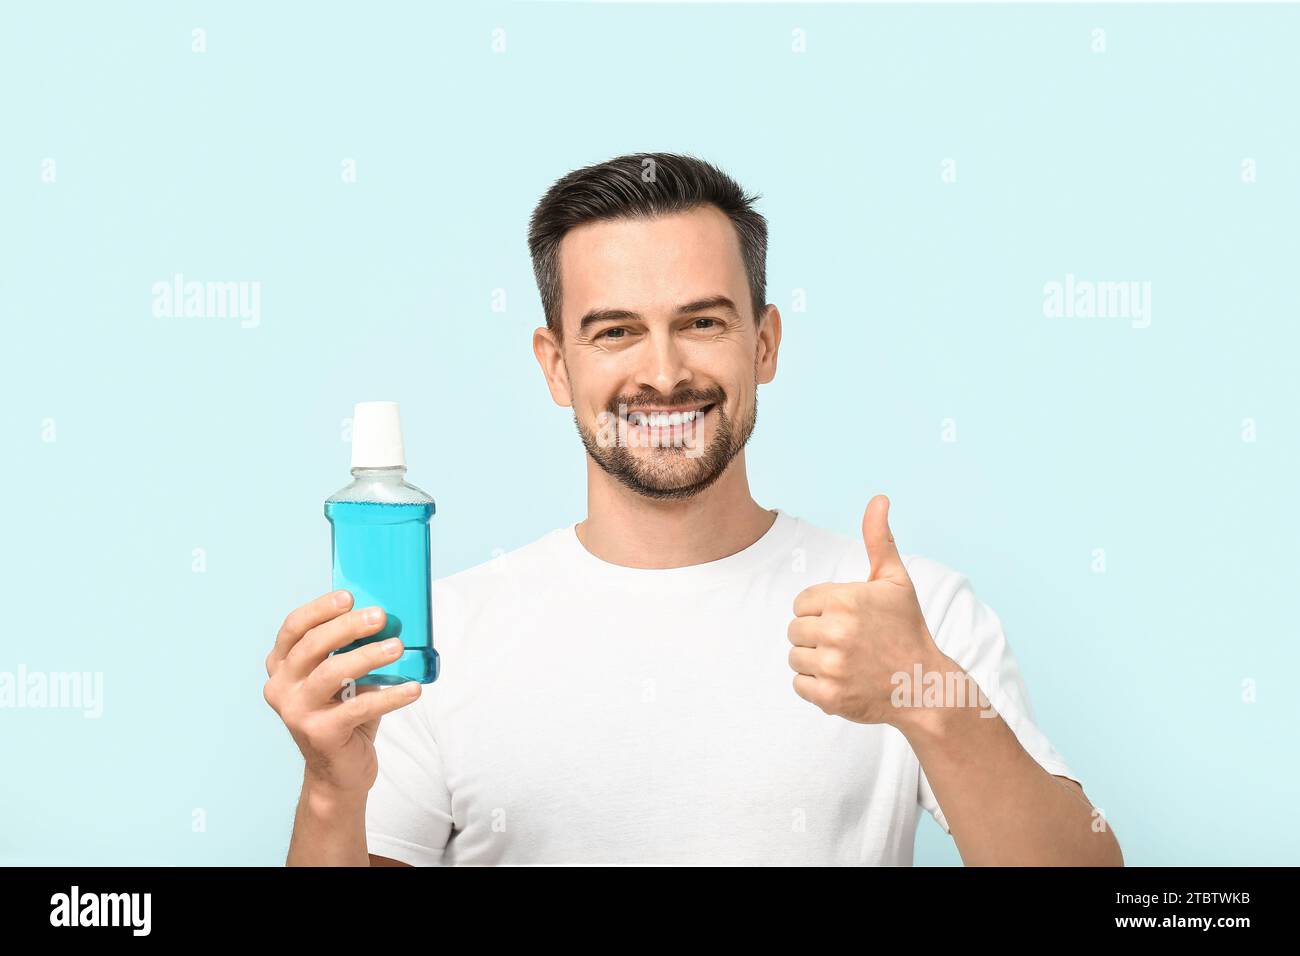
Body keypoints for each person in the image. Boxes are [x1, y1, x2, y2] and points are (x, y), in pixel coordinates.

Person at [264, 152, 1123, 866]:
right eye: (614, 331)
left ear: (765, 343)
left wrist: (928, 698)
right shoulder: (437, 641)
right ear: (556, 366)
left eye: (703, 322)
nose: (665, 372)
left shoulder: (908, 616)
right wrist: (333, 788)